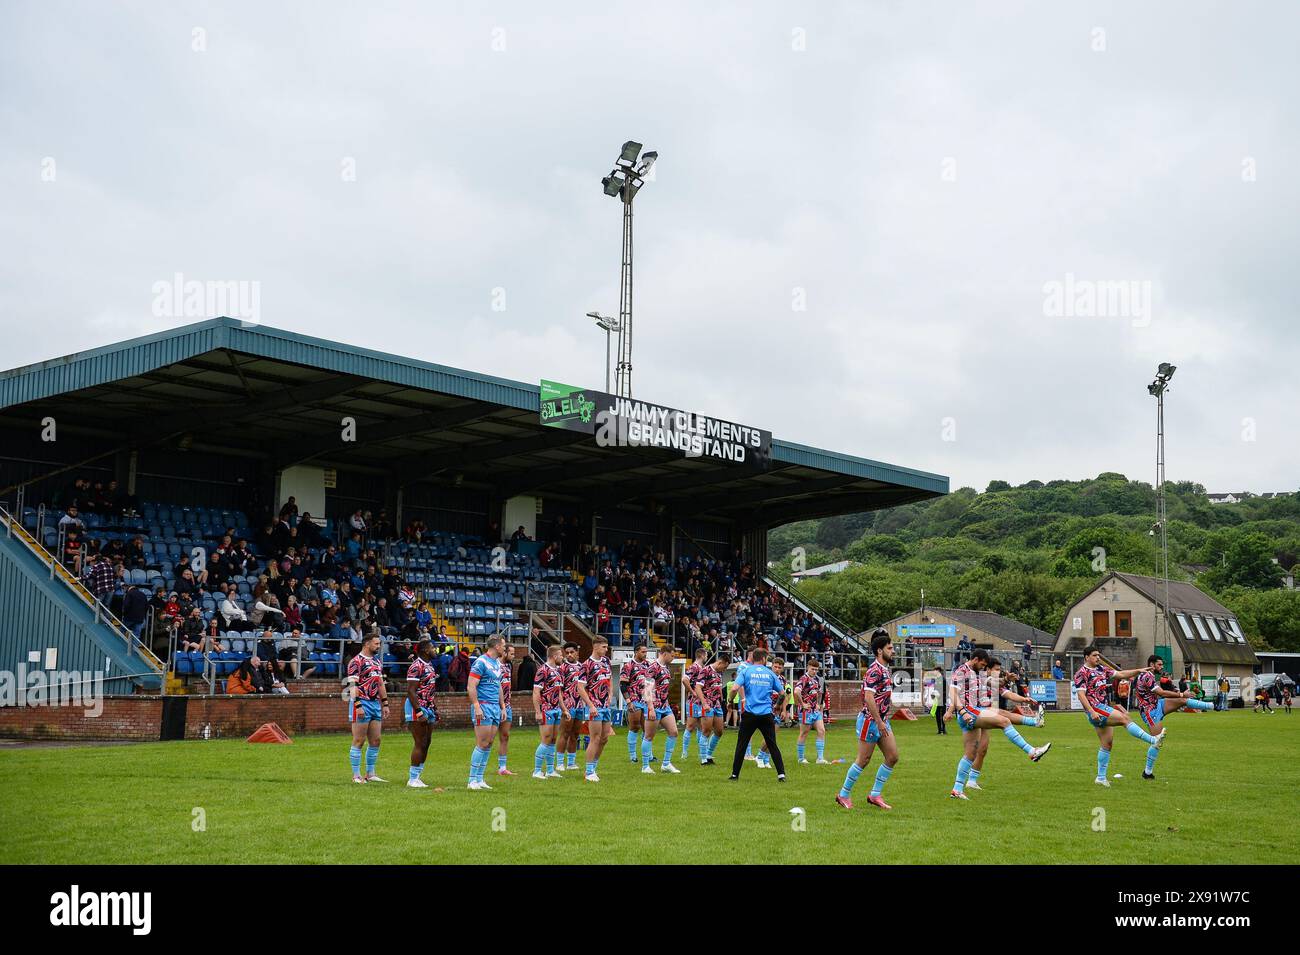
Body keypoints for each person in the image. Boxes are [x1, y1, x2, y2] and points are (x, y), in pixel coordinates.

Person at [945, 649, 1052, 799]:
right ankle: (1031, 751)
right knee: (1004, 720)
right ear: (975, 659)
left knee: (971, 754)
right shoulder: (962, 670)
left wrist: (1007, 680)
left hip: (973, 712)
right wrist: (961, 712)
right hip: (970, 711)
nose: (983, 667)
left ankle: (957, 790)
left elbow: (994, 683)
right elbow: (953, 693)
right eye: (982, 664)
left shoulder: (978, 673)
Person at [1072, 645, 1162, 787]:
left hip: (1103, 708)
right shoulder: (1081, 673)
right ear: (1086, 657)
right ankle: (1152, 740)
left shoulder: (1101, 669)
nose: (1098, 658)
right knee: (1124, 718)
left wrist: (1138, 670)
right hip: (1096, 708)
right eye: (1095, 655)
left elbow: (1121, 674)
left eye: (1099, 655)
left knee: (1107, 744)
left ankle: (1100, 778)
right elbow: (1081, 695)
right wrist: (1091, 711)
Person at [835, 630, 901, 810]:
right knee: (863, 760)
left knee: (893, 756)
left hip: (881, 721)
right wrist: (879, 721)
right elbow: (869, 698)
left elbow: (881, 696)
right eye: (890, 648)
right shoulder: (874, 670)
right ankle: (843, 794)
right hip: (870, 722)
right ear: (880, 651)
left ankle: (874, 794)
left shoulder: (885, 670)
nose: (893, 651)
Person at [964, 658, 1047, 792]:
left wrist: (1024, 699)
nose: (998, 672)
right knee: (1002, 715)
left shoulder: (994, 682)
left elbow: (1008, 694)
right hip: (973, 714)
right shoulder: (981, 677)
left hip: (983, 715)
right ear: (987, 669)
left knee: (982, 750)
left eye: (999, 670)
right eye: (996, 670)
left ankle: (971, 781)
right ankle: (1034, 724)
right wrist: (1007, 679)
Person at [1134, 654, 1215, 780]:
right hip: (1150, 712)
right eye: (1159, 664)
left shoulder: (1149, 675)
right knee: (1157, 741)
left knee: (1182, 700)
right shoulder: (1146, 676)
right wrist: (1181, 693)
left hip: (1157, 705)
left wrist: (1181, 695)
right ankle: (1147, 772)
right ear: (1151, 665)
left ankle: (1211, 705)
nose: (1161, 667)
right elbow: (1160, 692)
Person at [729, 648, 785, 781]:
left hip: (750, 713)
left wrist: (730, 700)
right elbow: (782, 693)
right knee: (772, 744)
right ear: (764, 658)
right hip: (766, 714)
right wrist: (777, 705)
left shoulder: (746, 671)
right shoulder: (770, 674)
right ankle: (781, 774)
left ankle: (735, 774)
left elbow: (734, 688)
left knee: (742, 744)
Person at [346, 632, 389, 784]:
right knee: (359, 740)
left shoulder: (377, 662)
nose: (378, 646)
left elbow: (380, 684)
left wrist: (385, 703)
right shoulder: (356, 662)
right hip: (362, 702)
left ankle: (370, 773)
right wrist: (357, 705)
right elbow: (352, 685)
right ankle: (356, 775)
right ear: (367, 644)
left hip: (375, 703)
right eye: (376, 644)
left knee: (376, 740)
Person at [466, 635, 506, 790]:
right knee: (482, 742)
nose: (504, 648)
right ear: (496, 646)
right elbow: (471, 686)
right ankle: (472, 780)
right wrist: (476, 705)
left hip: (495, 707)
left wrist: (502, 706)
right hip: (483, 705)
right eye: (503, 645)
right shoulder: (480, 662)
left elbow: (499, 686)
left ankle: (480, 778)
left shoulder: (497, 663)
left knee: (489, 743)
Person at [575, 636, 614, 781]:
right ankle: (589, 771)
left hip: (606, 706)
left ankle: (594, 768)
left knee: (604, 739)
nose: (606, 649)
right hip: (595, 707)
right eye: (604, 647)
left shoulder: (606, 661)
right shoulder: (587, 665)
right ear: (595, 647)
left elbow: (609, 680)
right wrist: (590, 705)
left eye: (606, 646)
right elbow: (580, 687)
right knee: (595, 738)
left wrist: (610, 694)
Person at [639, 646, 681, 774]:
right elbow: (647, 689)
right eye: (672, 655)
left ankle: (666, 764)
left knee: (674, 732)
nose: (673, 658)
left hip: (665, 706)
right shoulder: (653, 667)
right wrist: (650, 708)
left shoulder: (666, 669)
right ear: (664, 654)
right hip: (654, 706)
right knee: (649, 736)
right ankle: (645, 766)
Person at [404, 638, 439, 789]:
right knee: (420, 742)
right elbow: (411, 691)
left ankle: (418, 776)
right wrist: (418, 711)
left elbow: (430, 689)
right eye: (433, 648)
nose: (435, 650)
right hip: (417, 707)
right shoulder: (416, 666)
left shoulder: (429, 665)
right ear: (425, 650)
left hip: (428, 706)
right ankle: (412, 779)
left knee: (427, 742)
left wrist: (434, 708)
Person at [531, 644, 566, 779]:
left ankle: (550, 770)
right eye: (561, 655)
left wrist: (564, 709)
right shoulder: (542, 670)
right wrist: (538, 711)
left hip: (556, 710)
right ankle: (537, 771)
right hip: (546, 710)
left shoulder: (558, 671)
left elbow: (559, 693)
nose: (562, 658)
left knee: (552, 740)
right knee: (545, 739)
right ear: (554, 656)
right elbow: (536, 692)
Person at [691, 652, 730, 765]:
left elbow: (717, 686)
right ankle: (704, 759)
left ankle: (708, 754)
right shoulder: (706, 670)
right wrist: (704, 703)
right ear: (720, 662)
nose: (725, 669)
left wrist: (722, 699)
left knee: (719, 731)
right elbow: (698, 687)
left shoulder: (719, 673)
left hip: (717, 704)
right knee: (706, 731)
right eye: (725, 666)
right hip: (707, 704)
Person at [795, 657, 830, 763]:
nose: (814, 671)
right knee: (804, 733)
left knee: (821, 731)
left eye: (816, 669)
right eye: (812, 669)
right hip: (806, 711)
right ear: (807, 668)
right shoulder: (803, 679)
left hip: (815, 710)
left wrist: (819, 704)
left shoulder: (817, 679)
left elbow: (819, 693)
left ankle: (820, 758)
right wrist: (802, 704)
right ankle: (801, 758)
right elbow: (796, 691)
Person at [556, 642, 583, 771]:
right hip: (568, 704)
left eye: (572, 652)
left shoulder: (583, 667)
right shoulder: (562, 668)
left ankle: (571, 762)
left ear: (577, 652)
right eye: (567, 653)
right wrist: (563, 708)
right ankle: (560, 763)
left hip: (580, 705)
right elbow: (559, 690)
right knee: (564, 733)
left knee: (575, 734)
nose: (569, 655)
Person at [621, 643, 649, 763]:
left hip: (646, 701)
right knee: (635, 727)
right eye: (643, 652)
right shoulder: (628, 666)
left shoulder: (648, 665)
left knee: (647, 729)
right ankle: (633, 756)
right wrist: (628, 702)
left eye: (646, 652)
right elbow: (623, 685)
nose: (645, 654)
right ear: (636, 652)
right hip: (634, 700)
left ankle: (648, 755)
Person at [681, 648, 708, 762]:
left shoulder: (702, 668)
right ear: (702, 655)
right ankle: (684, 753)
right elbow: (684, 679)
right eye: (706, 655)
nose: (707, 657)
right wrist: (692, 692)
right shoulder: (694, 667)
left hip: (701, 701)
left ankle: (702, 753)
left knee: (702, 727)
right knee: (690, 726)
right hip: (693, 701)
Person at [494, 644, 516, 777]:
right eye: (512, 654)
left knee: (505, 736)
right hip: (494, 706)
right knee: (488, 739)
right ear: (504, 652)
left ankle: (502, 767)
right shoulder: (495, 666)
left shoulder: (509, 666)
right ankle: (479, 767)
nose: (513, 656)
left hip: (507, 706)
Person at [932, 664, 948, 735]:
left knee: (943, 715)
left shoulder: (943, 680)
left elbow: (947, 690)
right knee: (937, 715)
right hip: (937, 700)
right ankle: (939, 730)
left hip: (943, 699)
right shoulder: (935, 680)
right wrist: (934, 694)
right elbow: (935, 690)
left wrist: (941, 695)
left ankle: (943, 729)